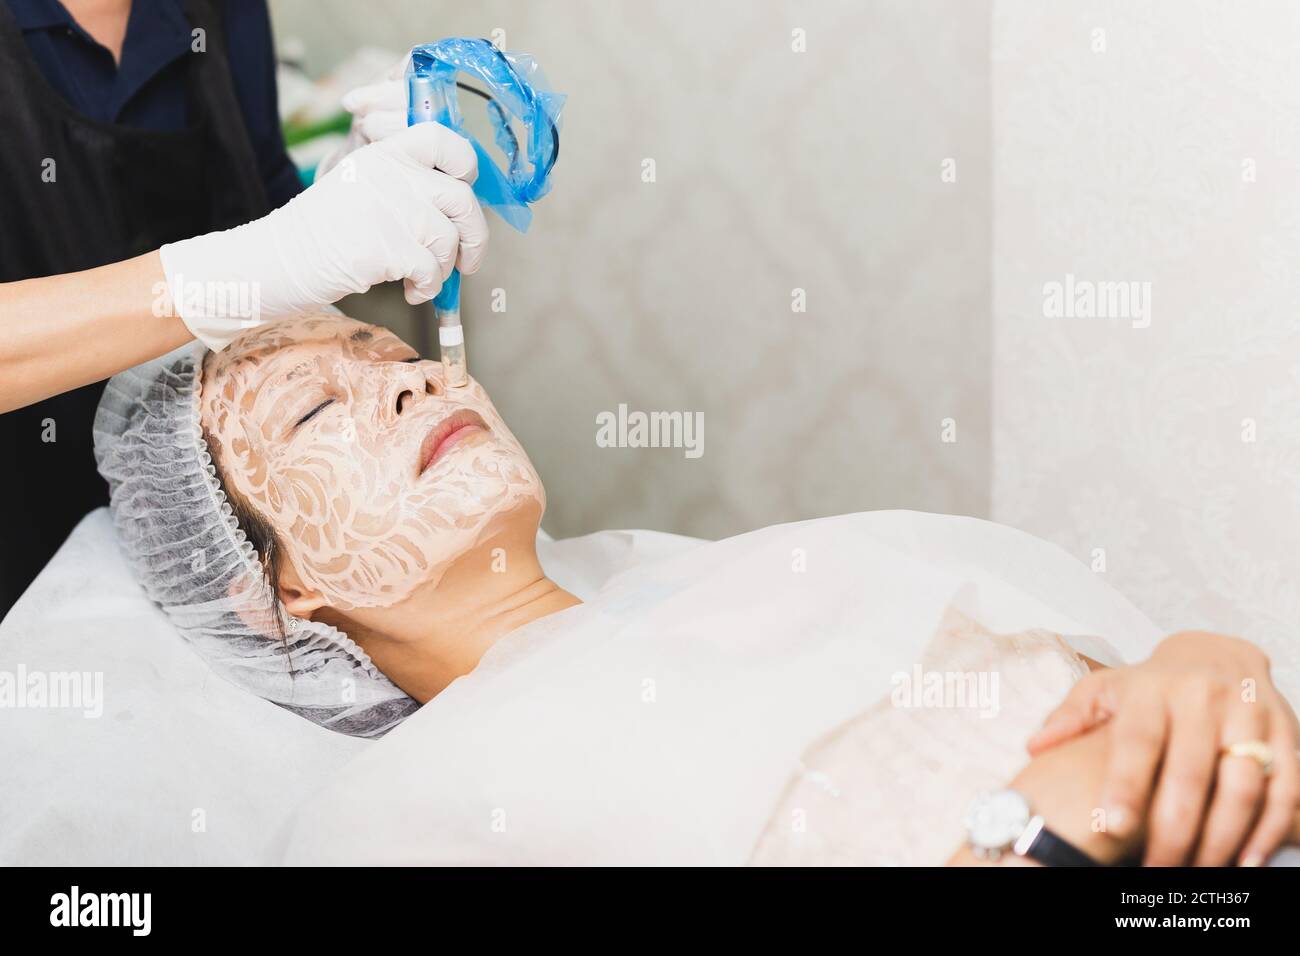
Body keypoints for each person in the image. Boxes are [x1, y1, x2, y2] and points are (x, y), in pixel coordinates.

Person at [93, 312, 1300, 866]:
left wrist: (1207, 660)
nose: (410, 383)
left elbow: (1170, 716)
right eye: (314, 408)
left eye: (392, 351)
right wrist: (1048, 831)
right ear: (271, 595)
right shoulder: (398, 820)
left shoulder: (781, 564)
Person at [0, 0, 467, 614]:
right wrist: (248, 265)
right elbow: (261, 258)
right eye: (313, 411)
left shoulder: (226, 13)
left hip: (230, 547)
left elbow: (260, 218)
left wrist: (334, 194)